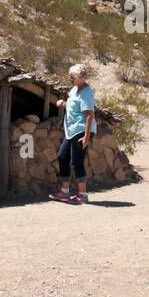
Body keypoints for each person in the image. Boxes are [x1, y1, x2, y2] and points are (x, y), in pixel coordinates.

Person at [50, 63, 96, 204]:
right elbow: (73, 105)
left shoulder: (86, 93)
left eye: (72, 77)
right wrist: (63, 103)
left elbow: (89, 115)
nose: (70, 78)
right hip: (71, 131)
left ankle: (82, 194)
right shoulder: (75, 89)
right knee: (62, 158)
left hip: (81, 130)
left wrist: (86, 137)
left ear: (79, 78)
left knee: (77, 163)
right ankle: (64, 192)